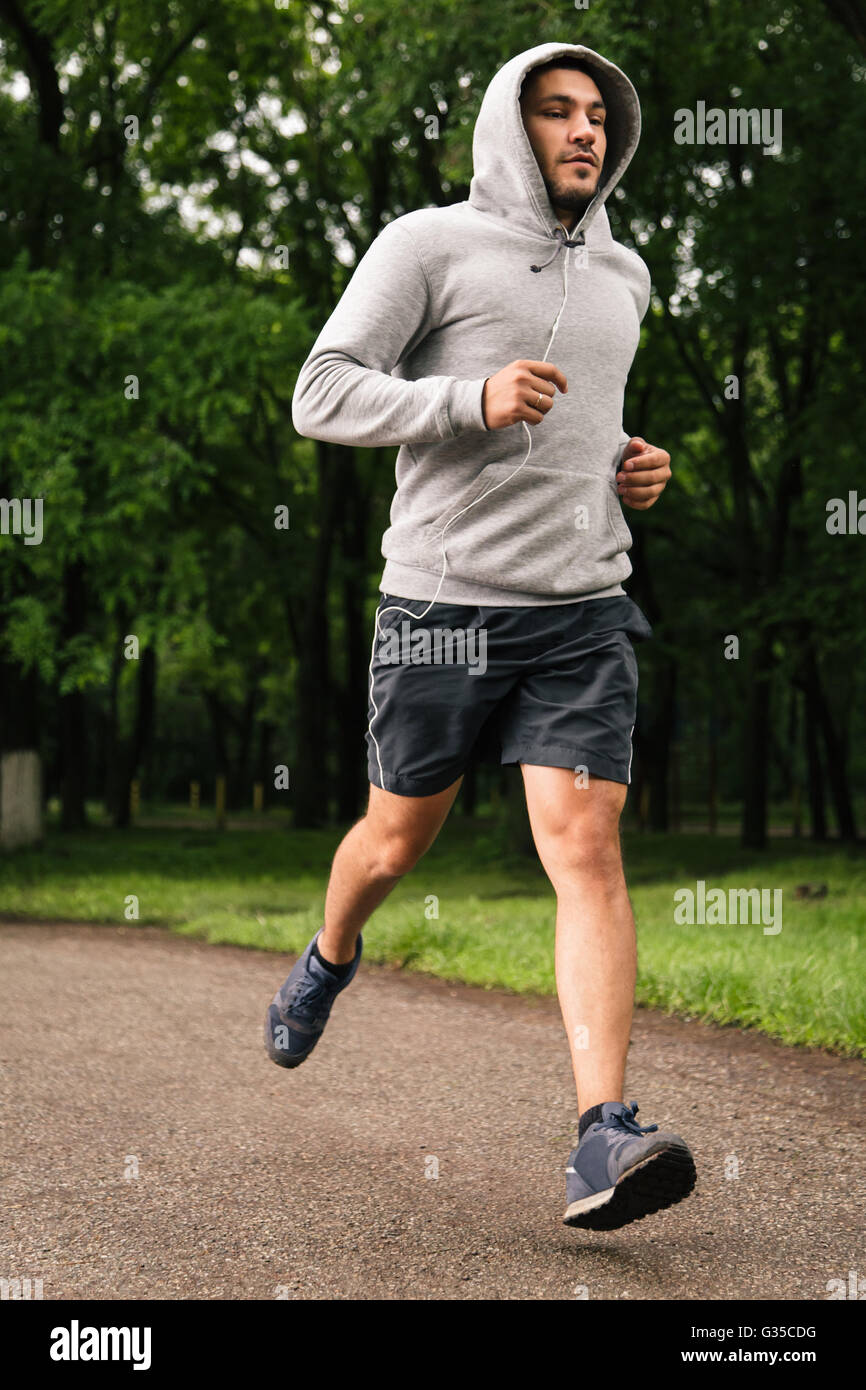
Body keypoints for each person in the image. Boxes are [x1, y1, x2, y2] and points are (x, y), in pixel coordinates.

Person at [265, 42, 696, 1231]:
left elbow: (580, 430)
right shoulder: (426, 245)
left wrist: (628, 466)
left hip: (579, 609)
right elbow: (321, 390)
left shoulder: (627, 274)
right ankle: (329, 950)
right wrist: (468, 397)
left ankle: (600, 1136)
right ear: (512, 125)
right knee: (394, 839)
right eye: (557, 111)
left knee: (587, 843)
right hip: (442, 609)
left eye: (599, 115)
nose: (584, 132)